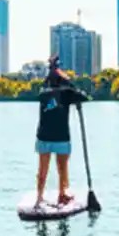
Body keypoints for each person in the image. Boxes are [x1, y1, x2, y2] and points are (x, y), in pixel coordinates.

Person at [35, 57, 90, 209]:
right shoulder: (63, 92)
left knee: (46, 169)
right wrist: (71, 86)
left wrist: (72, 90)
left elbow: (83, 97)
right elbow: (84, 96)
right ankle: (55, 194)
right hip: (56, 137)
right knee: (60, 169)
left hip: (48, 136)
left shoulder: (45, 91)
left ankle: (50, 196)